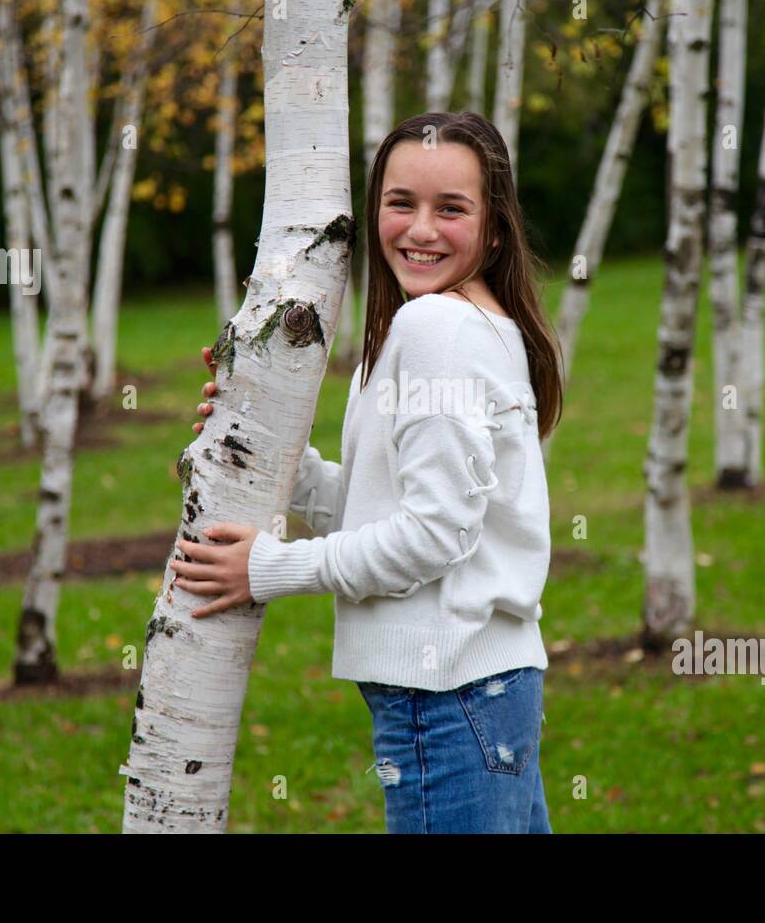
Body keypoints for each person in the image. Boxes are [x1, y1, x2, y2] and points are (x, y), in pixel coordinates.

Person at [176, 111, 564, 833]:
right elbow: (382, 508)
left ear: (495, 228)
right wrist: (256, 451)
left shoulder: (435, 331)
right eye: (400, 203)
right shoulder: (459, 326)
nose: (420, 230)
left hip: (448, 694)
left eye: (451, 209)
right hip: (483, 688)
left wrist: (271, 569)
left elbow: (431, 537)